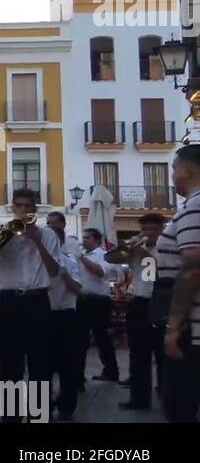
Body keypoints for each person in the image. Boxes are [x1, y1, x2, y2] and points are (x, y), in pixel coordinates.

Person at [0, 188, 61, 422]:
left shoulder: (48, 235)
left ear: (35, 210)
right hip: (10, 301)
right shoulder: (5, 232)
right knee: (9, 362)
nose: (23, 210)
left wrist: (37, 242)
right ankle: (11, 416)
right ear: (13, 208)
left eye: (28, 206)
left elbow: (55, 270)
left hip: (37, 300)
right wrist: (7, 237)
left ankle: (39, 414)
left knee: (41, 361)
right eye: (19, 206)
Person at [162, 144, 200, 422]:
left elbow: (191, 269)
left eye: (174, 169)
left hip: (192, 330)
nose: (172, 175)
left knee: (179, 408)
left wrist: (174, 327)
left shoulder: (194, 206)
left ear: (186, 170)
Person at [120, 214, 165, 410]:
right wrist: (126, 249)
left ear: (161, 229)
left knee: (163, 355)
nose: (147, 233)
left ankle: (166, 395)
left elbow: (161, 270)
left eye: (152, 229)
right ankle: (139, 399)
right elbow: (112, 259)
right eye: (144, 229)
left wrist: (145, 252)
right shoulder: (136, 248)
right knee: (138, 354)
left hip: (160, 303)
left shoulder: (167, 247)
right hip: (138, 303)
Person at [48, 226, 83, 421]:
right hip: (42, 315)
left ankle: (67, 406)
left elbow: (78, 290)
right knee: (42, 366)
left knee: (67, 366)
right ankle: (43, 405)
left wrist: (62, 273)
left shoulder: (69, 262)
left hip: (65, 315)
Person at [75, 227, 118, 384]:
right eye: (84, 237)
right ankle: (78, 374)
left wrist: (82, 258)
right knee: (80, 339)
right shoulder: (83, 255)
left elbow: (100, 272)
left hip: (99, 301)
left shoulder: (104, 255)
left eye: (88, 238)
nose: (84, 240)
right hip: (82, 299)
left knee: (102, 338)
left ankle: (111, 371)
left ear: (97, 240)